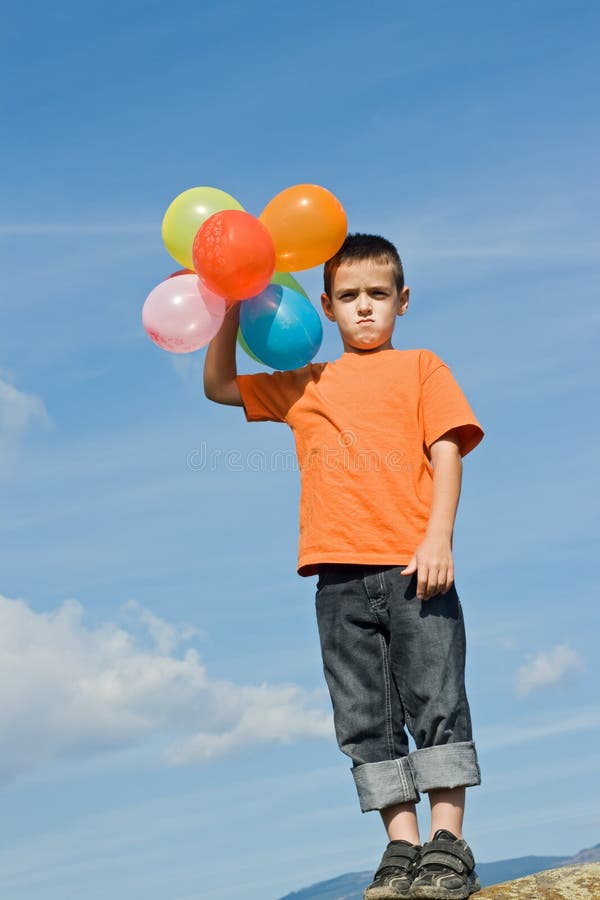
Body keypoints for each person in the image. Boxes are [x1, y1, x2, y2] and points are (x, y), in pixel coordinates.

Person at [203, 233, 485, 900]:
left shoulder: (422, 367)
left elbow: (448, 452)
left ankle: (449, 845)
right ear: (325, 307)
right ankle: (402, 846)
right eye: (350, 297)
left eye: (378, 295)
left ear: (403, 301)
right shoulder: (305, 384)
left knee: (437, 704)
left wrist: (438, 539)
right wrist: (226, 308)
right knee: (364, 718)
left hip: (417, 567)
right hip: (336, 580)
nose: (365, 308)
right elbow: (217, 386)